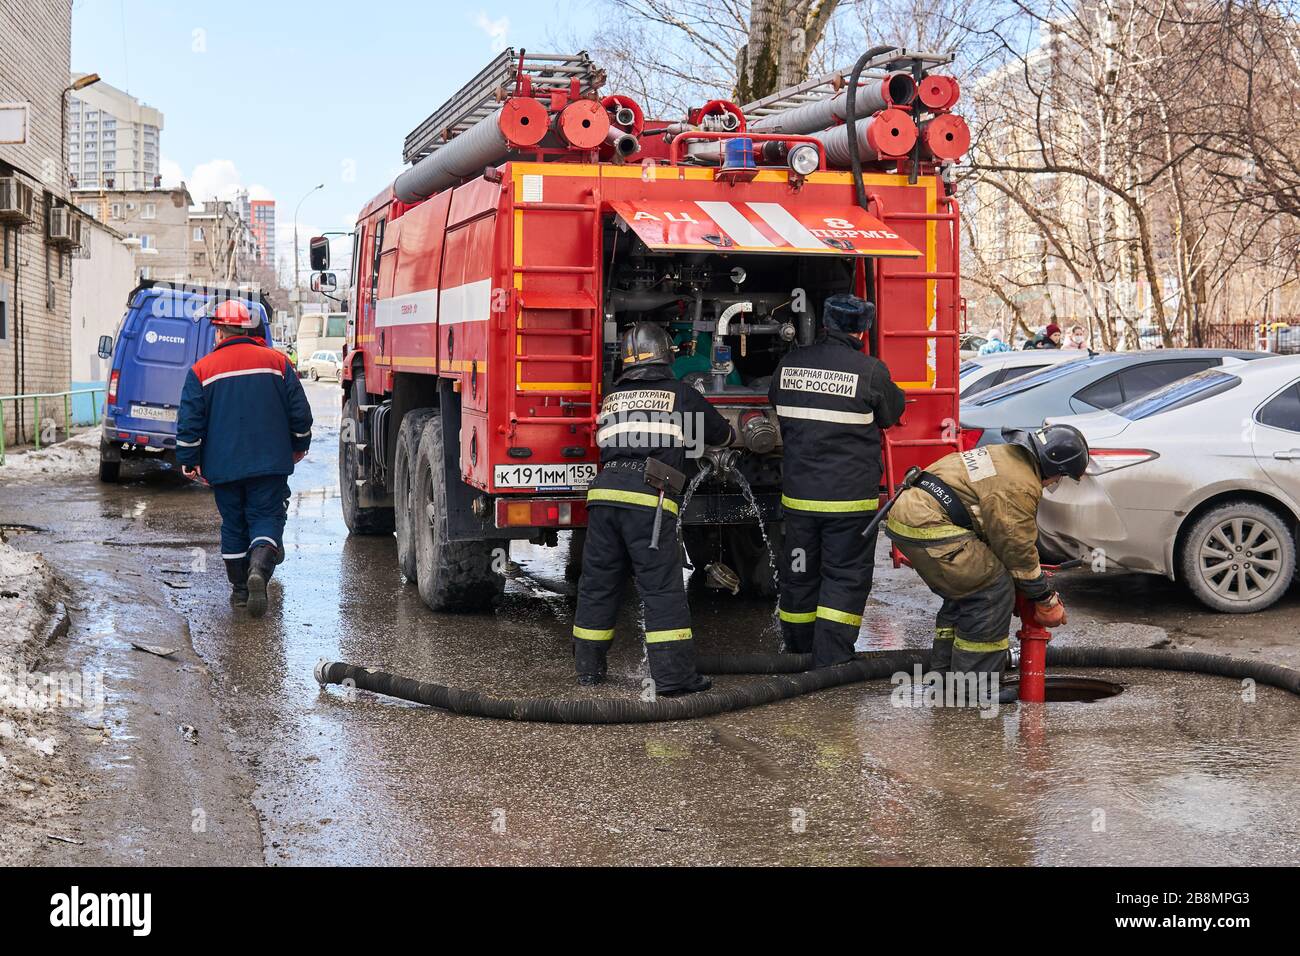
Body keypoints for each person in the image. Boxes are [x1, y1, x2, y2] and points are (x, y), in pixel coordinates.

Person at [572, 322, 733, 695]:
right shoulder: (679, 394)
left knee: (598, 583)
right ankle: (675, 679)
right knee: (660, 589)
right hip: (649, 498)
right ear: (665, 356)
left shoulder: (612, 396)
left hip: (604, 495)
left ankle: (589, 669)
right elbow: (721, 434)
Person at [884, 425, 1090, 679]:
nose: (1055, 482)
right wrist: (1044, 598)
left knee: (964, 593)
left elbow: (993, 527)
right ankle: (976, 689)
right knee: (991, 591)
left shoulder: (1005, 455)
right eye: (1060, 477)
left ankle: (945, 678)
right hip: (928, 525)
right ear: (1053, 467)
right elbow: (1017, 549)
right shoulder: (1021, 484)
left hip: (910, 516)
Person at [769, 294, 906, 668]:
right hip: (849, 506)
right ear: (862, 329)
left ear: (825, 324)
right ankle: (831, 661)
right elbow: (892, 412)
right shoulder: (871, 371)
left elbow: (775, 401)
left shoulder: (790, 363)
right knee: (844, 577)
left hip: (799, 502)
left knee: (798, 572)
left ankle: (797, 652)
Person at [177, 300, 313, 617]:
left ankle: (240, 590)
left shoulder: (201, 370)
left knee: (234, 524)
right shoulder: (277, 363)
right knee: (267, 517)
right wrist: (299, 444)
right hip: (271, 463)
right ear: (247, 329)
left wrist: (188, 458)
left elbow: (189, 422)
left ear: (220, 332)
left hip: (222, 466)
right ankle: (259, 571)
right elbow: (300, 413)